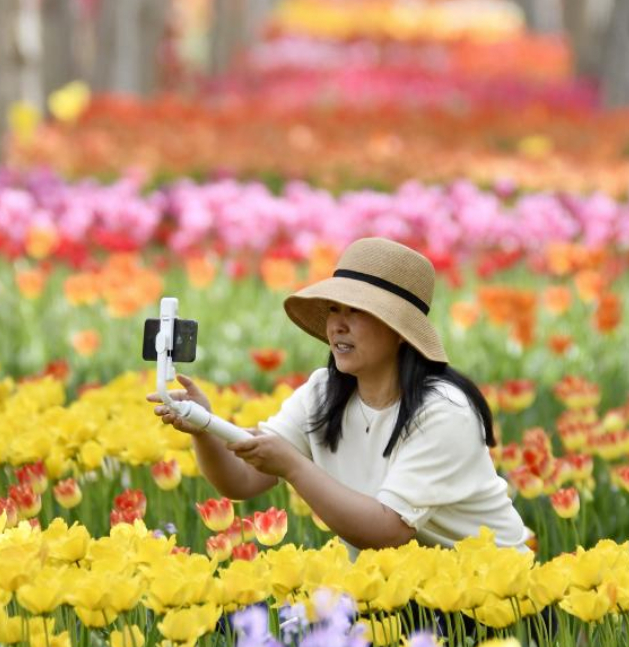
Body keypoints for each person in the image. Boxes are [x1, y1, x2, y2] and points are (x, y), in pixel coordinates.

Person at [149, 237, 530, 554]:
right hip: (397, 592)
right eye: (333, 309)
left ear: (400, 330)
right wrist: (203, 427)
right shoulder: (323, 392)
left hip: (491, 602)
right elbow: (243, 481)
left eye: (357, 311)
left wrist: (295, 467)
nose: (338, 325)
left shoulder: (444, 412)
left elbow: (388, 530)